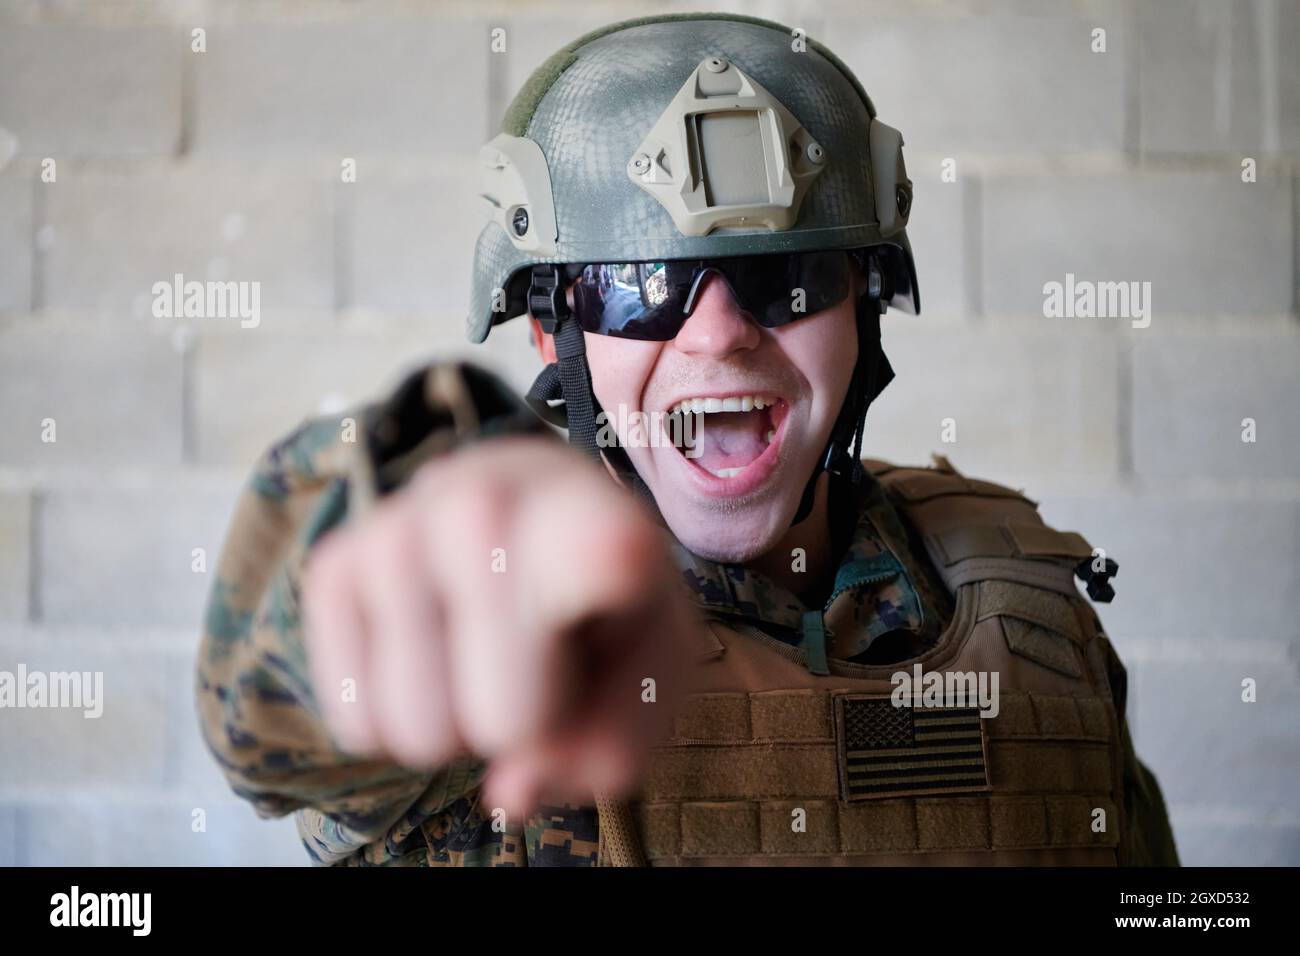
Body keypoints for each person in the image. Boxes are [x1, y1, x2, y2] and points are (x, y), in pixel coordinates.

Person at [197, 13, 1178, 866]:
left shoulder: (1022, 606)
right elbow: (273, 705)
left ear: (862, 311)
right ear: (553, 332)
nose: (716, 334)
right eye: (639, 284)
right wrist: (403, 533)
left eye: (784, 277)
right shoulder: (507, 630)